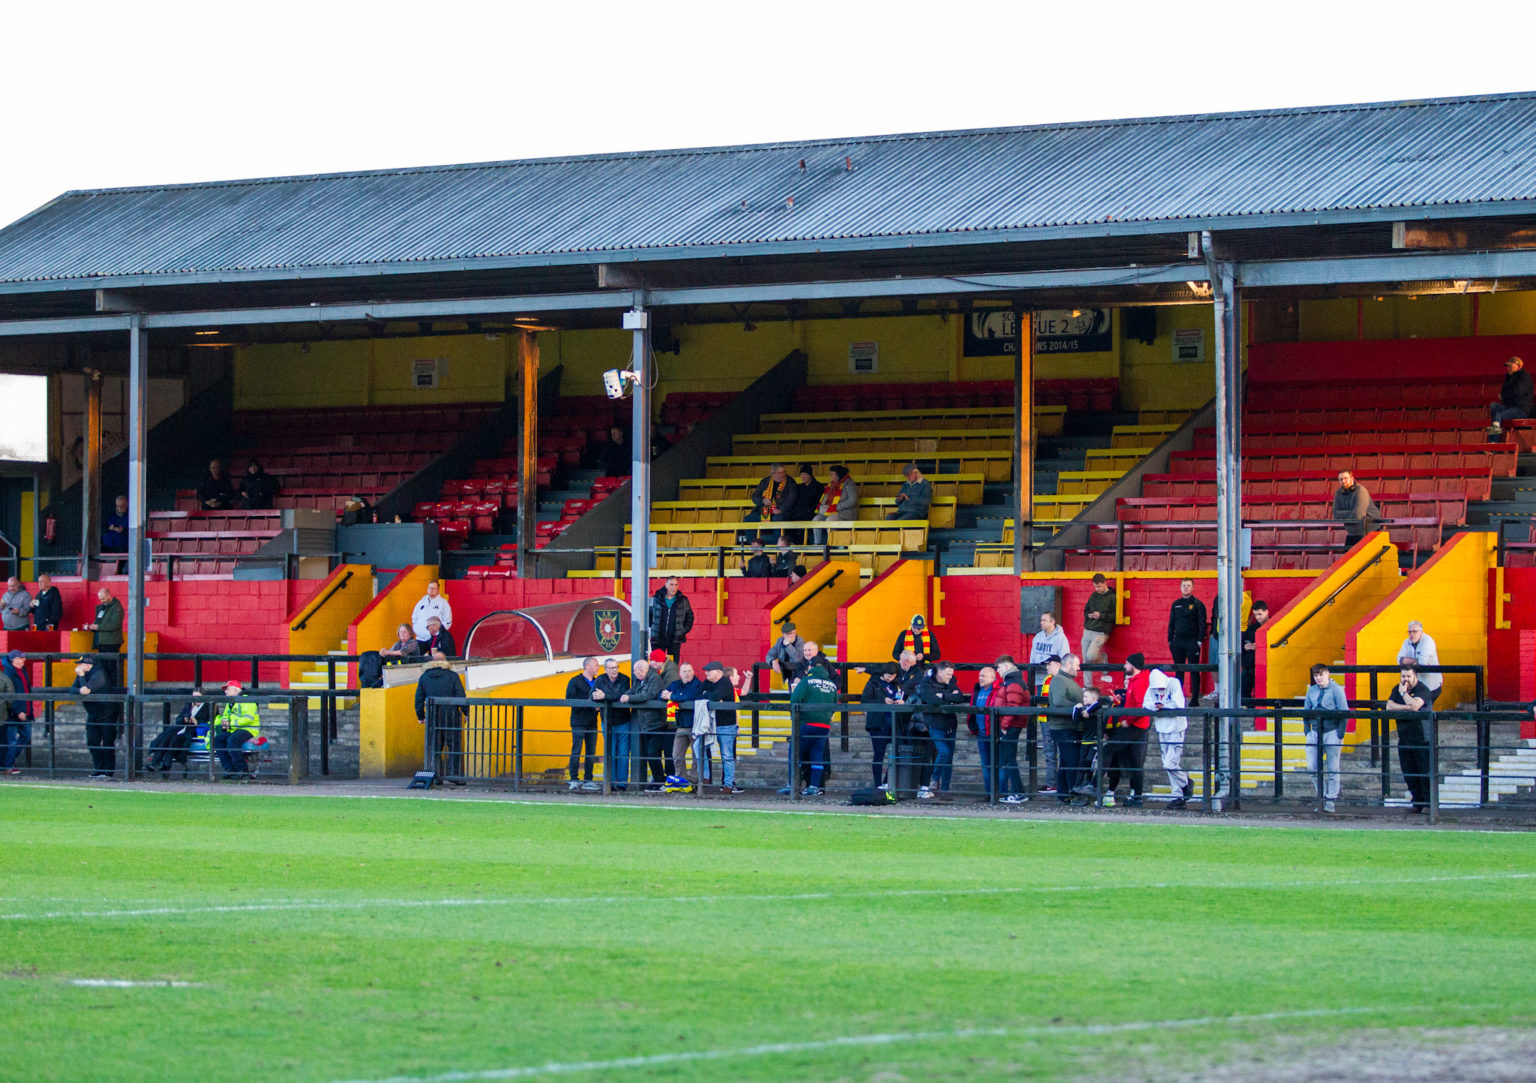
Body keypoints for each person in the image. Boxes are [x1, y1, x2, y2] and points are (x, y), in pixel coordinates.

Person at [911, 660, 966, 799]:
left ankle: (945, 790)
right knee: (944, 751)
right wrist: (949, 697)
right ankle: (935, 778)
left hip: (950, 723)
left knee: (948, 758)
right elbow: (932, 700)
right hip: (934, 723)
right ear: (939, 672)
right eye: (948, 674)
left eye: (951, 674)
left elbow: (959, 697)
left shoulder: (951, 681)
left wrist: (943, 696)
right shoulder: (926, 683)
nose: (950, 676)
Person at [787, 650, 838, 796]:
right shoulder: (832, 685)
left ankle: (793, 785)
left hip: (806, 723)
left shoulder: (806, 681)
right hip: (824, 726)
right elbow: (835, 704)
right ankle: (814, 787)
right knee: (817, 756)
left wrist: (795, 716)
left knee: (795, 753)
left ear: (810, 667)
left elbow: (795, 700)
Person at [1104, 653, 1152, 807]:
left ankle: (1093, 785)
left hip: (1134, 726)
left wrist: (1127, 721)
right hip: (1137, 725)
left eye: (1126, 663)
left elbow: (1139, 706)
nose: (1124, 667)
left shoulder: (1140, 682)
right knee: (1135, 762)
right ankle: (1136, 796)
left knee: (1108, 749)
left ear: (1134, 665)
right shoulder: (1138, 680)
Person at [1385, 662, 1434, 813]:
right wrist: (1406, 707)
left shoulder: (1423, 689)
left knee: (1424, 771)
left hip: (1422, 738)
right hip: (1404, 737)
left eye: (1408, 676)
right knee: (1409, 772)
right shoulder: (1397, 689)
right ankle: (1417, 802)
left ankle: (1428, 804)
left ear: (1415, 676)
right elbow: (1389, 706)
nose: (1405, 679)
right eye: (1403, 676)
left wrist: (1404, 695)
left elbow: (1416, 705)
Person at [1029, 613, 1070, 784]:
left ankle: (1056, 782)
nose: (1041, 622)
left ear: (1053, 621)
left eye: (1044, 620)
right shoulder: (1037, 637)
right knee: (1046, 734)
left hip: (1054, 684)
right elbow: (1031, 659)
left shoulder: (1061, 638)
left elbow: (1066, 659)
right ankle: (1051, 782)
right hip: (1040, 683)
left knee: (1056, 742)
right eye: (1041, 620)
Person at [1302, 663, 1348, 812]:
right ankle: (1321, 795)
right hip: (1315, 732)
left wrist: (1339, 734)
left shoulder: (1336, 690)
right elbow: (1306, 711)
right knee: (1312, 767)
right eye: (1316, 675)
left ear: (1327, 674)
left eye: (1321, 674)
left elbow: (1344, 712)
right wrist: (1307, 731)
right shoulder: (1311, 691)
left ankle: (1330, 799)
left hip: (1331, 732)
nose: (1319, 678)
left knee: (1333, 768)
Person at [414, 650, 466, 784]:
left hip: (433, 716)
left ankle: (435, 775)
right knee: (453, 746)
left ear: (432, 662)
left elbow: (418, 699)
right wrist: (467, 713)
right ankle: (455, 776)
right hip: (451, 715)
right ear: (445, 662)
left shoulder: (424, 677)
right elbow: (460, 696)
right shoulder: (452, 676)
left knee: (435, 747)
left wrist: (421, 716)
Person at [1144, 666, 1192, 809]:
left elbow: (1179, 704)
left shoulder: (1174, 683)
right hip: (1161, 728)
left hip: (1176, 728)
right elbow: (1146, 703)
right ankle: (1178, 794)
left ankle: (1185, 784)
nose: (1159, 690)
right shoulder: (1151, 688)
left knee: (1170, 763)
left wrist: (1162, 706)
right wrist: (1157, 706)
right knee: (1168, 762)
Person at [624, 658, 669, 791]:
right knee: (651, 754)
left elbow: (649, 695)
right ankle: (658, 779)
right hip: (645, 723)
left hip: (656, 723)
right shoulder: (640, 680)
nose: (634, 673)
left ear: (642, 670)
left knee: (653, 753)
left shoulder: (654, 678)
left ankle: (660, 780)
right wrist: (625, 695)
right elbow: (633, 691)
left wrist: (630, 699)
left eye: (635, 670)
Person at [72, 655, 119, 778]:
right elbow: (73, 689)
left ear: (87, 665)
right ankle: (99, 769)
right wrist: (80, 683)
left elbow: (86, 691)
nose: (78, 667)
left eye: (81, 664)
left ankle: (108, 771)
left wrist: (81, 677)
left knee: (108, 741)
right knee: (92, 741)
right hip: (93, 713)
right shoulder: (84, 674)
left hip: (107, 713)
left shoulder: (99, 674)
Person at [1047, 652, 1086, 802]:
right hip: (1064, 728)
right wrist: (1079, 707)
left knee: (1066, 761)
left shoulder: (1065, 680)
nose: (1078, 668)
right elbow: (1058, 701)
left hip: (1067, 727)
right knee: (1072, 761)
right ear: (1068, 665)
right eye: (1076, 665)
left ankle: (1064, 795)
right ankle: (1073, 795)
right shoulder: (1060, 680)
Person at [700, 661, 742, 795]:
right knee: (699, 748)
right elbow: (699, 694)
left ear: (718, 672)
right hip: (711, 724)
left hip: (726, 725)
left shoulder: (724, 683)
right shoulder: (708, 682)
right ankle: (706, 777)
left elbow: (713, 696)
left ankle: (728, 785)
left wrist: (707, 694)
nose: (706, 673)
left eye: (709, 671)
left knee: (726, 755)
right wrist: (708, 695)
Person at [661, 662, 705, 791]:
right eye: (684, 671)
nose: (687, 673)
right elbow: (661, 695)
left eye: (689, 671)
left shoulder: (698, 685)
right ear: (680, 673)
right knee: (676, 755)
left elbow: (689, 697)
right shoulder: (676, 684)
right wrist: (671, 696)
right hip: (681, 725)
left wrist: (672, 697)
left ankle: (694, 782)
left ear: (693, 672)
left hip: (695, 726)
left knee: (697, 756)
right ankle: (681, 781)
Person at [993, 656, 1030, 804]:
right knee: (1009, 759)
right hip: (1013, 724)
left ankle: (1018, 792)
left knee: (1009, 759)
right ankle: (1018, 791)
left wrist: (1004, 726)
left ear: (1007, 667)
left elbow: (1013, 706)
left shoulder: (1013, 682)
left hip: (1011, 726)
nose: (998, 671)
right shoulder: (1015, 681)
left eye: (999, 667)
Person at [860, 663, 903, 790]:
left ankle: (887, 781)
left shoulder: (897, 684)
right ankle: (878, 783)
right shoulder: (873, 683)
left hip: (894, 722)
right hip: (878, 723)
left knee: (896, 753)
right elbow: (864, 700)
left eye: (892, 676)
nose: (890, 678)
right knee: (879, 753)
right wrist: (882, 701)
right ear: (883, 674)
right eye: (888, 676)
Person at [147, 687, 209, 776]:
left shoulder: (209, 706)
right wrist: (185, 720)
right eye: (194, 697)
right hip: (183, 727)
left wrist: (197, 722)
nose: (195, 699)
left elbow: (209, 722)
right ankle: (157, 762)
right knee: (167, 735)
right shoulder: (189, 705)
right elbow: (178, 719)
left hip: (194, 731)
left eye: (198, 697)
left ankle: (162, 763)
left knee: (174, 738)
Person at [592, 657, 633, 792]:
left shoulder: (625, 679)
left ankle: (621, 783)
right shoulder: (600, 679)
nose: (614, 670)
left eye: (616, 667)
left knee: (623, 752)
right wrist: (597, 696)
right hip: (607, 720)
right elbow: (591, 694)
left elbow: (621, 695)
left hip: (623, 721)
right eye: (611, 668)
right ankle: (611, 781)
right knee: (610, 752)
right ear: (606, 669)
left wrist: (605, 696)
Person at [1167, 578, 1208, 698]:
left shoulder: (1198, 604)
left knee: (1194, 669)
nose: (1186, 587)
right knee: (1179, 670)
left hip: (1192, 641)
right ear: (1180, 587)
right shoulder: (1176, 604)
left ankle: (1195, 698)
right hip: (1178, 642)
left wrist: (1199, 641)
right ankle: (1178, 697)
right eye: (1184, 585)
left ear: (1192, 587)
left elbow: (1202, 623)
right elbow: (1171, 623)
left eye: (1188, 585)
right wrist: (1170, 640)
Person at [565, 657, 602, 792]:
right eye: (596, 665)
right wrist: (589, 702)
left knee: (591, 752)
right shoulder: (575, 681)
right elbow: (569, 698)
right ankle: (574, 779)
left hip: (592, 721)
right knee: (577, 750)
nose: (598, 667)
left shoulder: (598, 682)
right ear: (587, 666)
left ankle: (588, 779)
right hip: (578, 721)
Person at [1068, 687, 1110, 805]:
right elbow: (1075, 719)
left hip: (1095, 741)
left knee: (1089, 763)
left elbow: (1096, 705)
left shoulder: (1097, 707)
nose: (1083, 699)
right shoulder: (1084, 708)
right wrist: (1077, 708)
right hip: (1085, 741)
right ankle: (1077, 787)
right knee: (1082, 763)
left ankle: (1088, 789)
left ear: (1093, 698)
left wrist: (1086, 711)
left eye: (1086, 697)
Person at [212, 679, 260, 780]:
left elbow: (248, 719)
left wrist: (230, 724)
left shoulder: (247, 700)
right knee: (218, 740)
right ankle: (229, 769)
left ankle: (242, 769)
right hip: (234, 729)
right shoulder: (230, 702)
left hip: (249, 729)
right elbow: (226, 715)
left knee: (232, 740)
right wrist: (224, 721)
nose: (225, 692)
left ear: (235, 690)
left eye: (227, 689)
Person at [746, 463, 797, 542]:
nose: (783, 475)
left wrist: (781, 510)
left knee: (778, 519)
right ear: (773, 473)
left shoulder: (790, 482)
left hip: (781, 512)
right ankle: (754, 544)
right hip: (764, 510)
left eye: (784, 472)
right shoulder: (765, 481)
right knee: (748, 519)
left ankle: (777, 545)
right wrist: (762, 501)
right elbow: (755, 496)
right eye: (780, 473)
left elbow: (792, 499)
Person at [648, 576, 694, 659]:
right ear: (666, 585)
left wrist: (683, 630)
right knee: (656, 663)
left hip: (674, 639)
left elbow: (689, 616)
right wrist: (652, 630)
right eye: (671, 584)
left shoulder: (683, 600)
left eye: (676, 585)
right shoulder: (655, 599)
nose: (674, 587)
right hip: (658, 638)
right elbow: (648, 616)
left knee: (673, 664)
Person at [1397, 621, 1442, 704]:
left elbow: (1422, 662)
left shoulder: (1428, 641)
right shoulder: (1407, 642)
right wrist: (1415, 660)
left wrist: (1408, 661)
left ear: (1421, 632)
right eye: (1409, 632)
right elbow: (1399, 660)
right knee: (1415, 709)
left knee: (1422, 710)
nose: (1411, 634)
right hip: (1416, 685)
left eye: (1414, 631)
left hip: (1431, 685)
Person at [970, 666, 998, 797]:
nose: (980, 678)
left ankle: (999, 793)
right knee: (985, 765)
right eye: (980, 675)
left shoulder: (997, 690)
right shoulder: (978, 690)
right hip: (981, 733)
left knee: (997, 764)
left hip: (994, 733)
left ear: (993, 678)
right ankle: (989, 793)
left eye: (983, 676)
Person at [811, 465, 858, 545]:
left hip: (845, 512)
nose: (830, 476)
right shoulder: (831, 485)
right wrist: (823, 506)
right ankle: (817, 544)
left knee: (830, 520)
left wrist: (836, 507)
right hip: (830, 511)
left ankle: (832, 544)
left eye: (832, 474)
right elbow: (824, 499)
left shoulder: (848, 483)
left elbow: (853, 500)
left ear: (838, 475)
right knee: (816, 520)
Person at [0, 651, 29, 775]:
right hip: (11, 713)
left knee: (23, 736)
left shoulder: (21, 672)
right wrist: (17, 711)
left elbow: (25, 692)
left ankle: (8, 761)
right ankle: (7, 764)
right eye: (18, 658)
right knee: (11, 740)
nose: (22, 660)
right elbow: (11, 696)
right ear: (12, 660)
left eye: (22, 658)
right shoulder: (8, 673)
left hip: (17, 711)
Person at [1331, 471, 1378, 546]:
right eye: (1341, 479)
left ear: (1352, 479)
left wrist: (1344, 515)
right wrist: (1352, 512)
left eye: (1345, 478)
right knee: (1347, 555)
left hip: (1368, 531)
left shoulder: (1361, 491)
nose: (1343, 481)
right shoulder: (1338, 493)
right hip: (1352, 532)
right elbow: (1335, 514)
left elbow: (1357, 515)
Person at [86, 588, 124, 681]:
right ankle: (106, 686)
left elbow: (115, 624)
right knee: (103, 667)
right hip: (102, 641)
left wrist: (98, 627)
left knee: (112, 667)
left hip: (111, 642)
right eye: (100, 599)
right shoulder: (102, 608)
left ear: (108, 595)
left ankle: (115, 687)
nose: (101, 601)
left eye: (103, 598)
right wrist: (92, 626)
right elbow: (98, 620)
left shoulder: (116, 607)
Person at [1489, 355, 1533, 432]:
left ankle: (1494, 438)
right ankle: (1497, 425)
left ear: (1518, 366)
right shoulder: (1508, 378)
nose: (1508, 368)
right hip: (1509, 407)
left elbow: (1518, 392)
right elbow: (1504, 393)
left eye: (1510, 366)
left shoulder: (1524, 377)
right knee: (1494, 406)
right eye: (1508, 366)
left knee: (1499, 415)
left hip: (1520, 409)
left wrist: (1505, 396)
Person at [783, 464, 824, 544]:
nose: (802, 477)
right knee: (787, 519)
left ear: (810, 475)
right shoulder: (799, 487)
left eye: (804, 474)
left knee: (801, 520)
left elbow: (817, 502)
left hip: (811, 512)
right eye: (801, 475)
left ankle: (804, 544)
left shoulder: (819, 486)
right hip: (797, 513)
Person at [1081, 574, 1115, 665]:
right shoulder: (1093, 595)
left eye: (1099, 586)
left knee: (1091, 656)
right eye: (1095, 586)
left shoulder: (1112, 597)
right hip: (1088, 630)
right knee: (1085, 660)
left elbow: (1115, 616)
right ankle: (1087, 680)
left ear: (1105, 583)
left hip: (1101, 632)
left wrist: (1100, 615)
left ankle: (1102, 660)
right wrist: (1089, 616)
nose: (1097, 589)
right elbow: (1086, 610)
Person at [1241, 601, 1269, 701]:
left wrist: (1260, 648)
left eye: (1260, 614)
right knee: (1244, 693)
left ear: (1266, 612)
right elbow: (1242, 645)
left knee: (1260, 693)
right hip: (1248, 665)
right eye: (1256, 615)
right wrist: (1245, 647)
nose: (1258, 617)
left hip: (1263, 666)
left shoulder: (1272, 627)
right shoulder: (1251, 628)